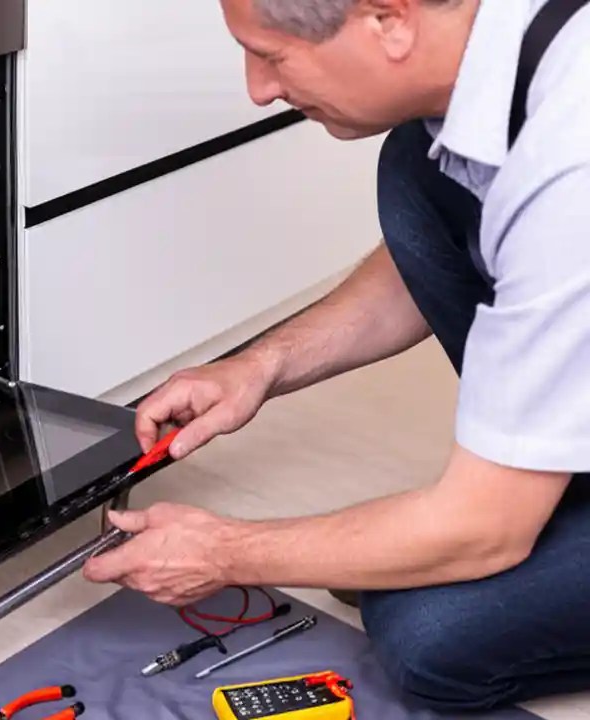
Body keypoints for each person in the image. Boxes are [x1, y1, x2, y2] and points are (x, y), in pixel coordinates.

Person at [81, 0, 590, 711]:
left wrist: (226, 552)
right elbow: (482, 239)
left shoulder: (571, 163)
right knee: (419, 171)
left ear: (390, 20)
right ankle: (539, 480)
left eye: (273, 55)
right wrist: (258, 367)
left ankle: (534, 501)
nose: (257, 88)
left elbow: (486, 533)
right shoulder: (508, 41)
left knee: (430, 633)